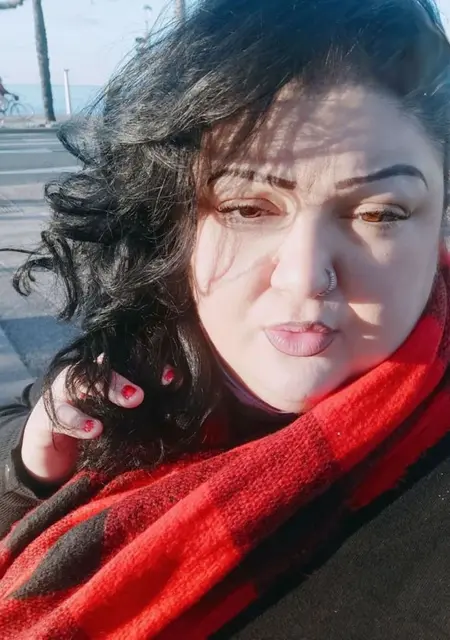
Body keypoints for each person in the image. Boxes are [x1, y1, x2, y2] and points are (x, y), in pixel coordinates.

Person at [0, 0, 449, 637]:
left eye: (380, 213)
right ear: (180, 221)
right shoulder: (138, 372)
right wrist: (29, 469)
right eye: (246, 208)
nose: (303, 276)